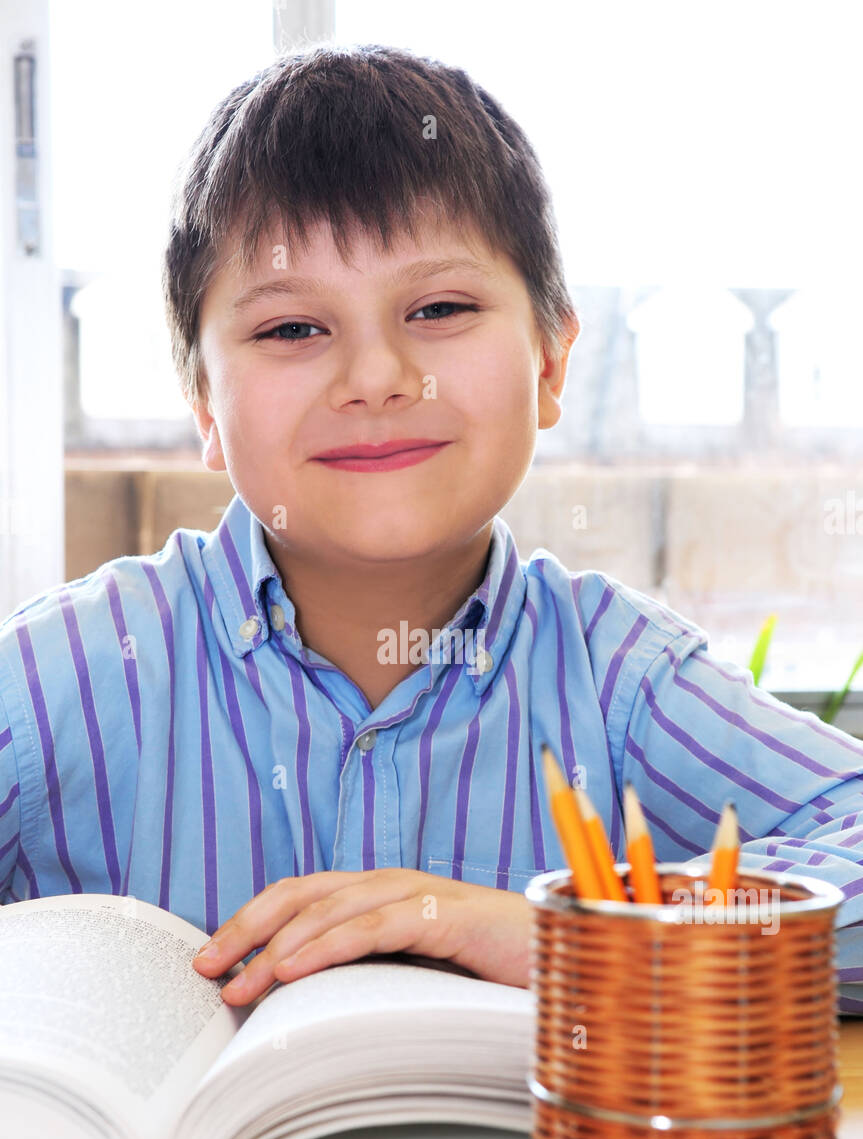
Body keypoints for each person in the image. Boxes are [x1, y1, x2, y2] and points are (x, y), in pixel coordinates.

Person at [2, 44, 862, 1012]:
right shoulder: (59, 677)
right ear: (204, 403)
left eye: (439, 308)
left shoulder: (617, 675)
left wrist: (563, 935)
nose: (376, 377)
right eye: (291, 329)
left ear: (548, 361)